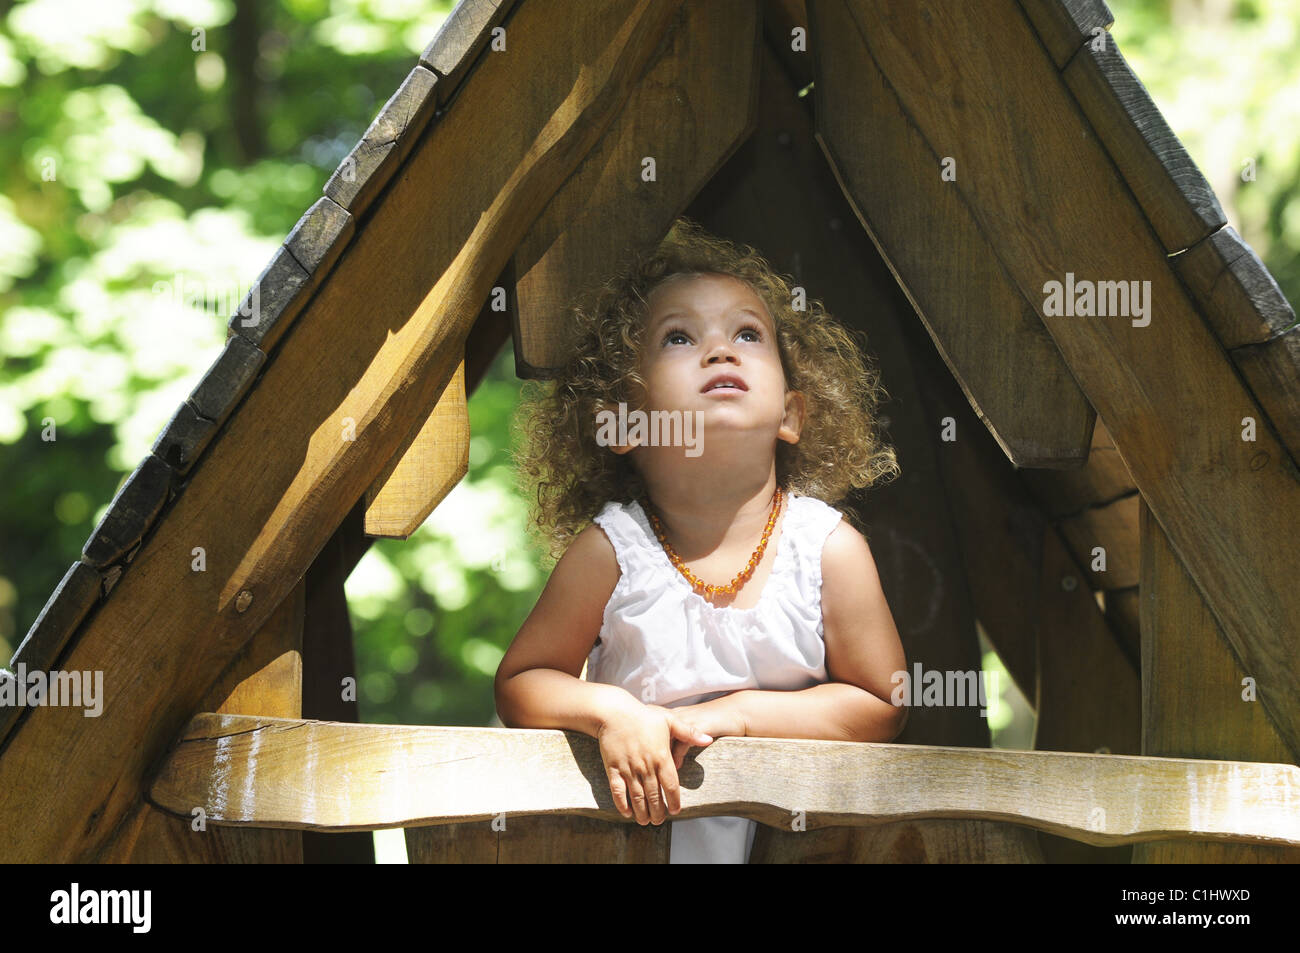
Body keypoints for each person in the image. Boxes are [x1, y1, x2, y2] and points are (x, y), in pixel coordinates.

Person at [495, 218, 908, 863]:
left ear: (793, 414)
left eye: (748, 333)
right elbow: (522, 682)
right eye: (679, 337)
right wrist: (609, 713)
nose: (721, 351)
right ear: (626, 420)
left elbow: (882, 703)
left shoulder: (827, 549)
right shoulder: (612, 551)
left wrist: (740, 715)